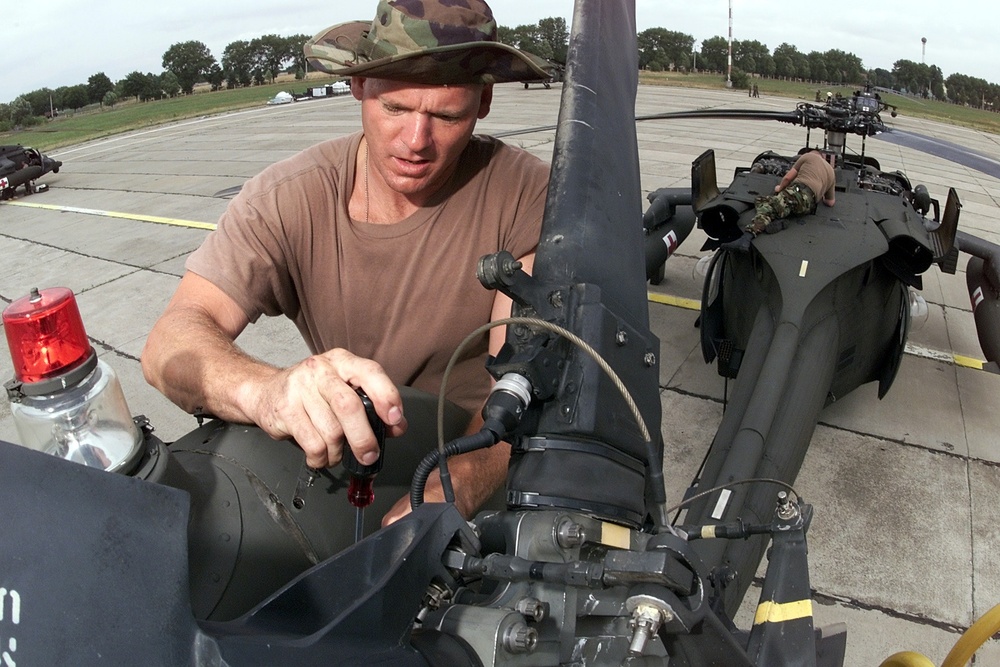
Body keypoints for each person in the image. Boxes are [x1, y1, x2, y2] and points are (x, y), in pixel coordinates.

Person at [141, 0, 553, 525]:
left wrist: (456, 489)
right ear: (359, 86)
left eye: (447, 116)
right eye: (395, 109)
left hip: (486, 460)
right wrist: (264, 390)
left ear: (485, 101)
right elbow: (169, 344)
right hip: (360, 460)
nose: (415, 142)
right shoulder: (287, 198)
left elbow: (519, 382)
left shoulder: (525, 195)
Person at [745, 150, 836, 236]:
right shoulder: (831, 172)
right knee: (779, 205)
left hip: (797, 192)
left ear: (812, 153)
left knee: (766, 205)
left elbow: (788, 178)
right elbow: (830, 202)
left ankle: (750, 233)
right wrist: (822, 195)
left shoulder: (808, 156)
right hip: (808, 206)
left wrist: (780, 188)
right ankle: (780, 216)